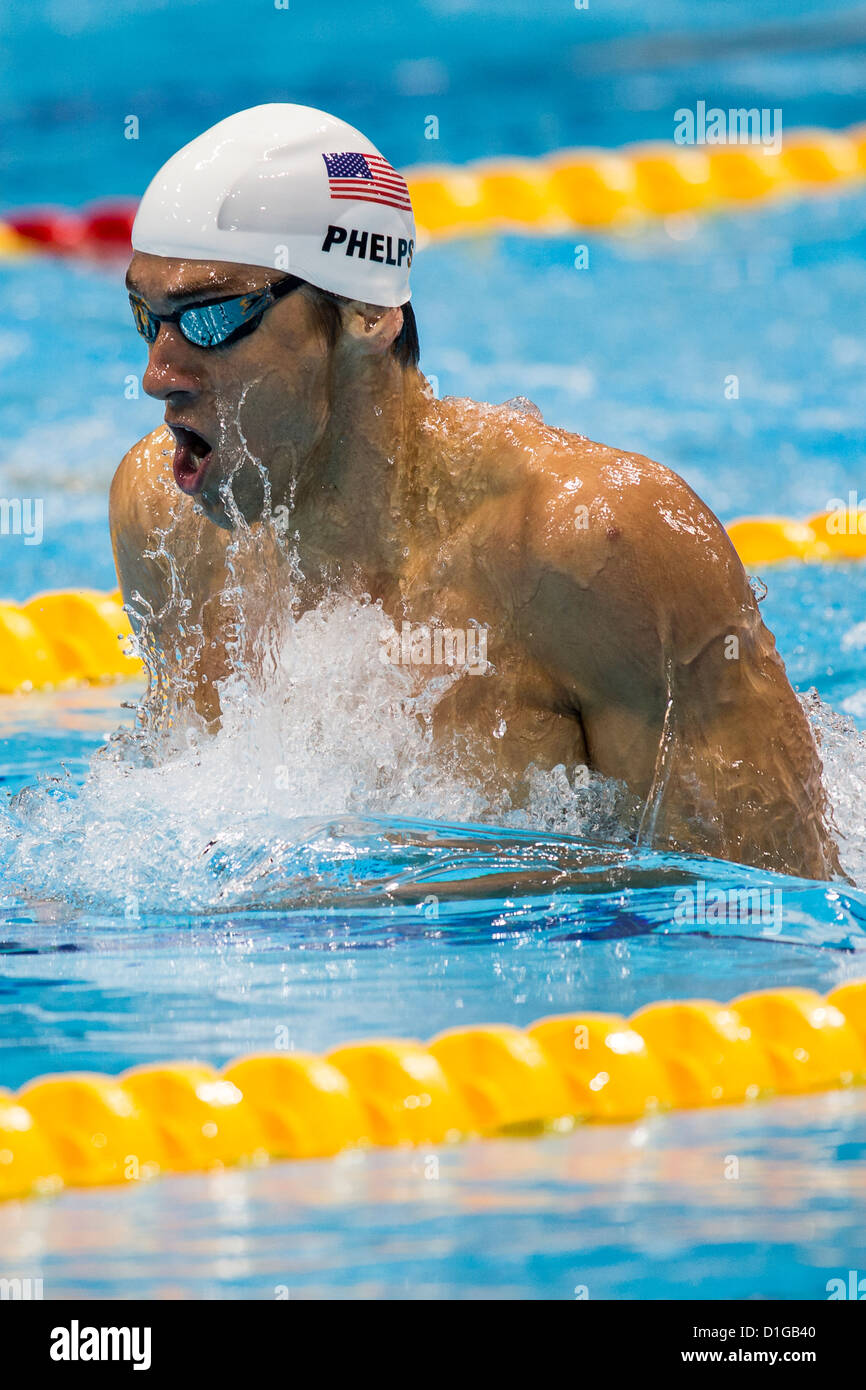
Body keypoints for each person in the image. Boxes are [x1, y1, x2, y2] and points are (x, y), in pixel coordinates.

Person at [111, 104, 840, 879]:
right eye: (145, 318)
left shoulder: (593, 547)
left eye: (215, 317)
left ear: (366, 313)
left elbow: (763, 911)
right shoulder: (165, 518)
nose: (159, 374)